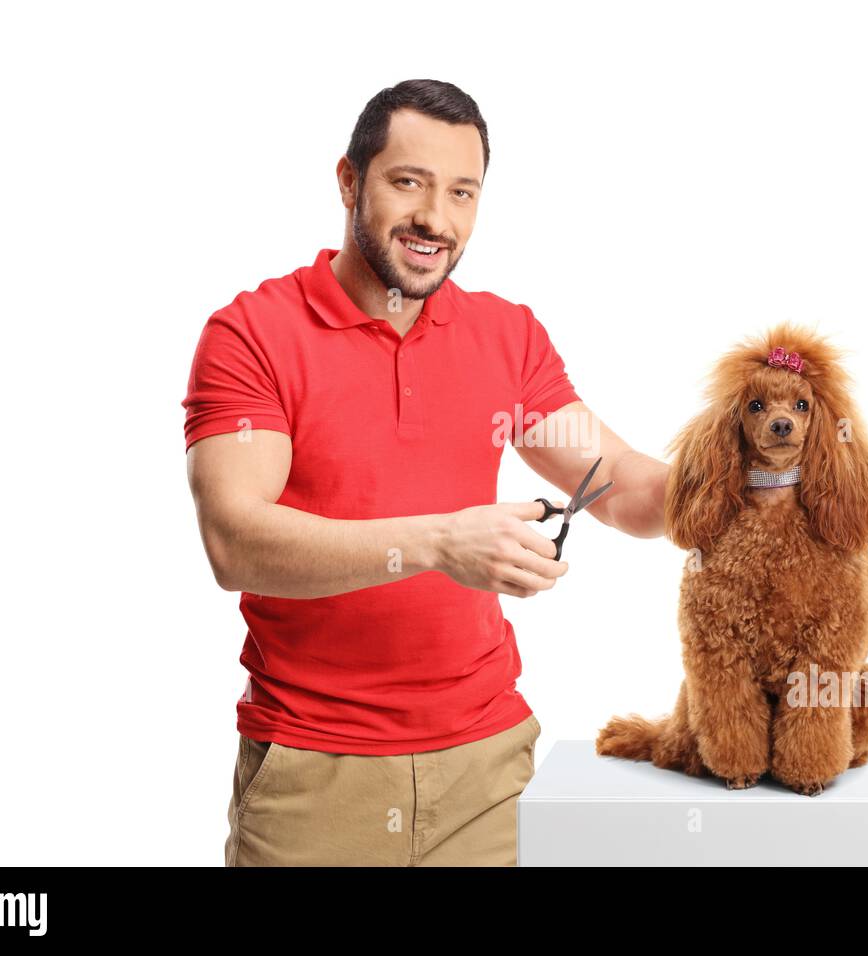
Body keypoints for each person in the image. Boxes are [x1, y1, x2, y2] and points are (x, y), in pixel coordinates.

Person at [181, 79, 668, 866]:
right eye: (408, 182)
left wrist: (757, 480)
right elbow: (235, 540)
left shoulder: (505, 336)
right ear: (349, 181)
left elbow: (625, 486)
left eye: (461, 193)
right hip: (315, 777)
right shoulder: (254, 334)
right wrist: (441, 543)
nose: (435, 220)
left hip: (487, 771)